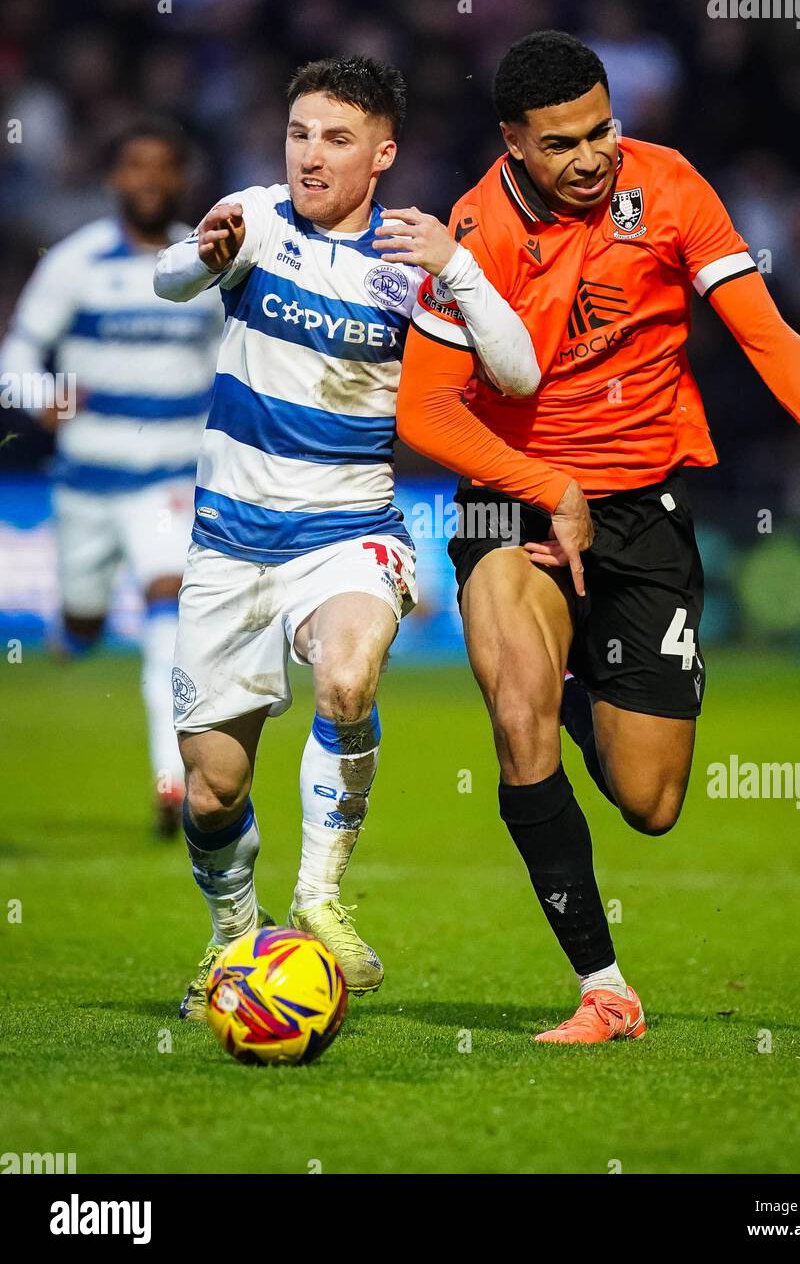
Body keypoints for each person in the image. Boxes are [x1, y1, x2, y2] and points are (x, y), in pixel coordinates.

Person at [396, 30, 800, 1044]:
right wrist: (544, 484)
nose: (591, 157)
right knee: (516, 715)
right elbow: (424, 411)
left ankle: (581, 680)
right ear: (512, 140)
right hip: (511, 501)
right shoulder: (472, 234)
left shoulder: (666, 185)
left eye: (602, 130)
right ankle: (604, 988)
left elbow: (760, 325)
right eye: (561, 143)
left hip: (642, 505)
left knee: (650, 800)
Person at [153, 55, 539, 1018]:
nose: (310, 156)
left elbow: (518, 373)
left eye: (335, 138)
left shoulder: (411, 263)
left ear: (382, 155)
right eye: (298, 134)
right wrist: (201, 254)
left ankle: (319, 898)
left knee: (348, 674)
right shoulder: (255, 219)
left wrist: (457, 268)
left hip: (350, 530)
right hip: (230, 544)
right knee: (212, 790)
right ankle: (232, 936)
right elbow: (169, 280)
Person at [0, 119, 222, 836]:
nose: (150, 180)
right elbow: (16, 356)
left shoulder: (210, 258)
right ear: (114, 178)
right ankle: (77, 629)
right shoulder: (76, 262)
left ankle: (172, 782)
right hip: (86, 485)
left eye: (164, 167)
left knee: (167, 609)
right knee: (86, 620)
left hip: (171, 477)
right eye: (136, 166)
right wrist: (42, 396)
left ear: (182, 179)